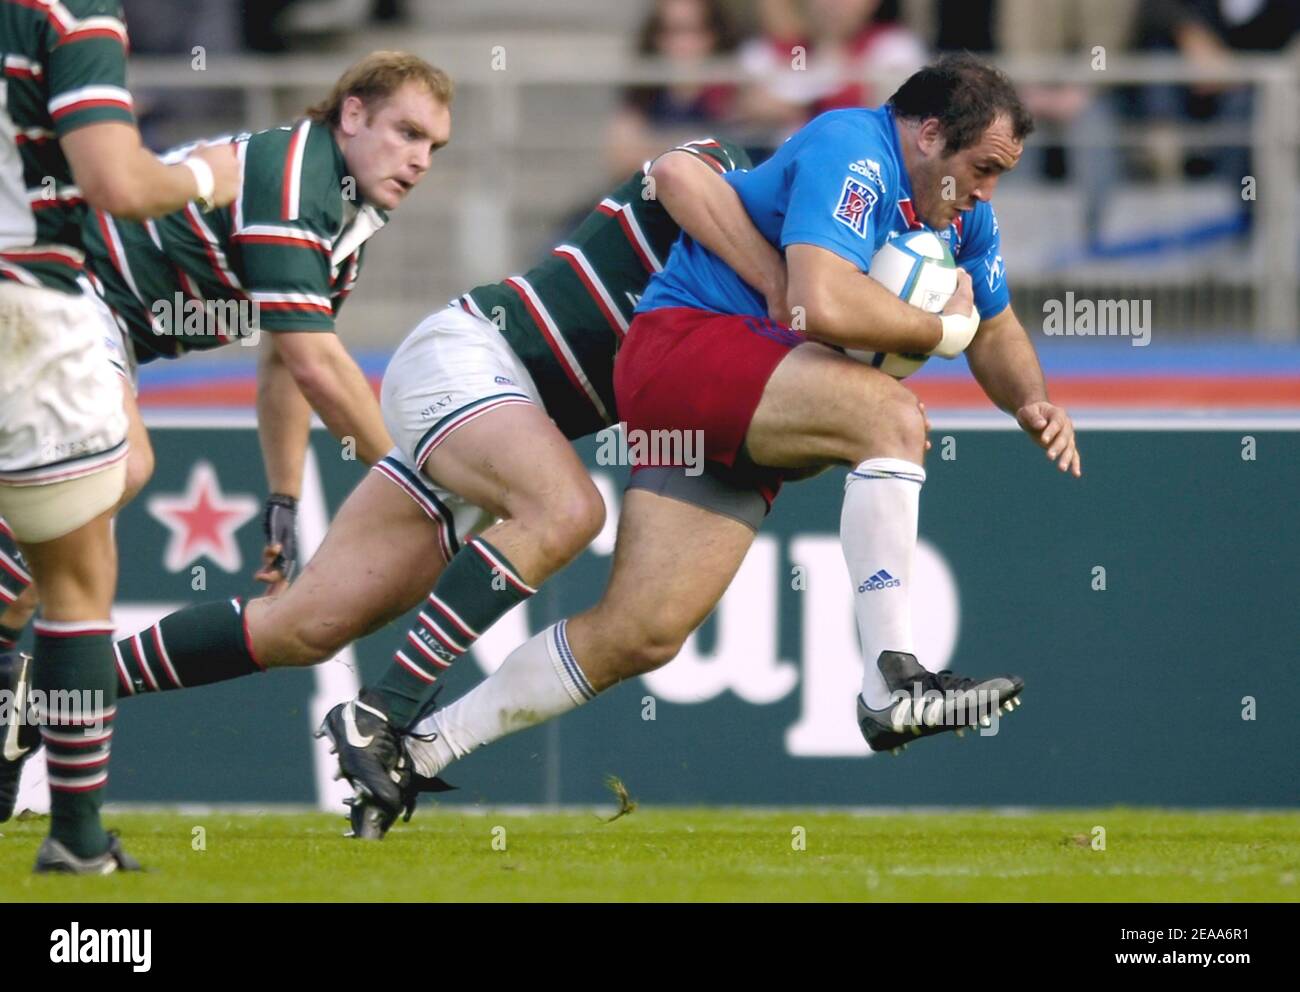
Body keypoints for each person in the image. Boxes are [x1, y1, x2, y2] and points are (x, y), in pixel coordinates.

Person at [349, 54, 1084, 838]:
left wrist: (1031, 400)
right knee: (891, 418)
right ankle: (891, 681)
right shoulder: (855, 149)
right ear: (929, 133)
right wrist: (944, 329)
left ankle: (418, 753)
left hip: (757, 392)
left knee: (644, 630)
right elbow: (821, 302)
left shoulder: (960, 212)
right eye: (983, 169)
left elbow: (998, 326)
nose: (987, 191)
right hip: (689, 351)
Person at [0, 136, 786, 824]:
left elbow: (281, 355)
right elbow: (680, 172)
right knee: (566, 508)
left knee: (305, 625)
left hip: (506, 424)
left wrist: (283, 493)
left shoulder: (780, 290)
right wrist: (787, 292)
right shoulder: (723, 176)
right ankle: (385, 712)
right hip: (474, 359)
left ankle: (37, 705)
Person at [0, 50, 452, 837]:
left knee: (67, 513)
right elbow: (316, 361)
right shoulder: (294, 181)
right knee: (118, 462)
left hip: (81, 313)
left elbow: (283, 354)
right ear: (351, 114)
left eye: (433, 147)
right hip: (58, 287)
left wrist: (282, 495)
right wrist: (413, 481)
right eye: (407, 132)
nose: (419, 159)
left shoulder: (344, 219)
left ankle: (10, 697)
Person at [0, 0, 239, 872]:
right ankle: (76, 838)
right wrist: (208, 176)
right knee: (75, 577)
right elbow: (117, 181)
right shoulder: (66, 15)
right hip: (24, 301)